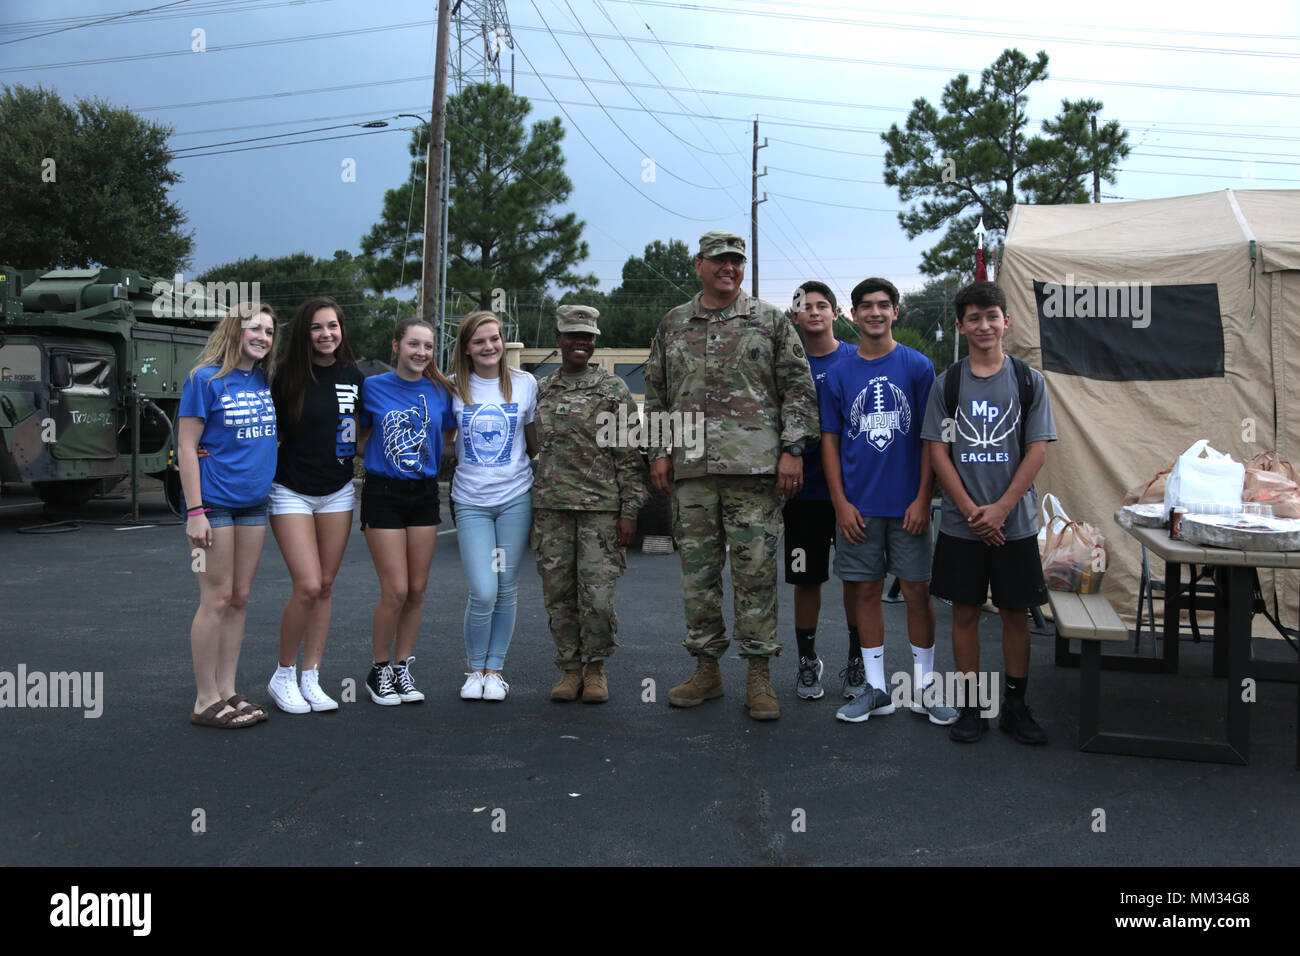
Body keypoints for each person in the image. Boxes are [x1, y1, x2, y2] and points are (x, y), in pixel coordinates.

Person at [644, 230, 819, 721]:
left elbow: (799, 390)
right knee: (697, 578)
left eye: (737, 262)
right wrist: (659, 453)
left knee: (756, 574)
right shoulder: (674, 323)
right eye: (719, 261)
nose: (729, 268)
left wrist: (792, 450)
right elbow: (656, 394)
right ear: (699, 264)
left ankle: (759, 674)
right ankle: (706, 669)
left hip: (755, 471)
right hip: (692, 470)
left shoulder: (769, 321)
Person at [919, 280, 1057, 744]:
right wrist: (971, 510)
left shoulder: (1027, 380)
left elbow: (1037, 450)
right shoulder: (948, 383)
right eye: (973, 318)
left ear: (1006, 321)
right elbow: (939, 451)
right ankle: (971, 706)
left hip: (1013, 523)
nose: (983, 325)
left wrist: (1001, 509)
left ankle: (1015, 707)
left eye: (991, 316)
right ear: (961, 325)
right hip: (962, 526)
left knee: (1017, 614)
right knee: (965, 613)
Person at [821, 277, 957, 726]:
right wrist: (839, 502)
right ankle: (876, 688)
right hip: (859, 506)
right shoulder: (839, 373)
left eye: (883, 305)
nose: (875, 313)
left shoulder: (917, 367)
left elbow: (929, 438)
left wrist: (924, 498)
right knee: (864, 591)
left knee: (917, 592)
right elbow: (831, 441)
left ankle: (924, 688)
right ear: (853, 314)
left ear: (896, 312)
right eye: (866, 306)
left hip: (907, 506)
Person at [532, 305, 650, 703]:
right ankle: (569, 668)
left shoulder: (612, 389)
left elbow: (630, 455)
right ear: (559, 339)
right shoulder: (543, 389)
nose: (580, 343)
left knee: (597, 597)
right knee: (559, 594)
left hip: (601, 509)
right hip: (552, 509)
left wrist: (631, 510)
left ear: (594, 342)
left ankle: (596, 668)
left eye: (587, 337)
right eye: (573, 336)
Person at [178, 301, 279, 728]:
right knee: (215, 599)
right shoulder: (205, 380)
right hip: (214, 505)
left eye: (269, 332)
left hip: (253, 504)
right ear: (234, 331)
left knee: (239, 598)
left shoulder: (261, 378)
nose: (262, 337)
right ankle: (204, 700)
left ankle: (227, 689)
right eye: (254, 329)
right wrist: (195, 511)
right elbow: (186, 446)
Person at [264, 296, 364, 714]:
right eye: (317, 328)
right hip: (290, 489)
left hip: (337, 490)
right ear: (305, 334)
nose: (327, 335)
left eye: (333, 326)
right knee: (306, 585)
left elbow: (365, 430)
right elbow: (255, 426)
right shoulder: (284, 375)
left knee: (324, 586)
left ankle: (312, 676)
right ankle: (283, 675)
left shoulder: (355, 376)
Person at [357, 317, 457, 706]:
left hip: (425, 493)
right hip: (383, 491)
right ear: (396, 345)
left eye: (428, 347)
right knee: (396, 590)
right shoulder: (372, 387)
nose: (421, 353)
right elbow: (361, 437)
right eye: (413, 344)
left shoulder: (440, 391)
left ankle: (402, 667)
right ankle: (378, 669)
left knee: (417, 589)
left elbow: (448, 440)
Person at [450, 311, 538, 702]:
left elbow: (534, 441)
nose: (489, 347)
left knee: (505, 588)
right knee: (483, 590)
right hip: (472, 504)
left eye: (495, 339)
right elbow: (440, 440)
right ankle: (473, 668)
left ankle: (494, 670)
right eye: (480, 341)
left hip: (514, 501)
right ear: (467, 348)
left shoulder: (525, 384)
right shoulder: (451, 387)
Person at [782, 280, 858, 701]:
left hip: (852, 493)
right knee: (805, 579)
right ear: (794, 316)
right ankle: (807, 662)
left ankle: (856, 662)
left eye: (821, 305)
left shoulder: (856, 358)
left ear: (835, 313)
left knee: (856, 578)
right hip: (804, 493)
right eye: (804, 306)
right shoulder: (784, 363)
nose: (813, 311)